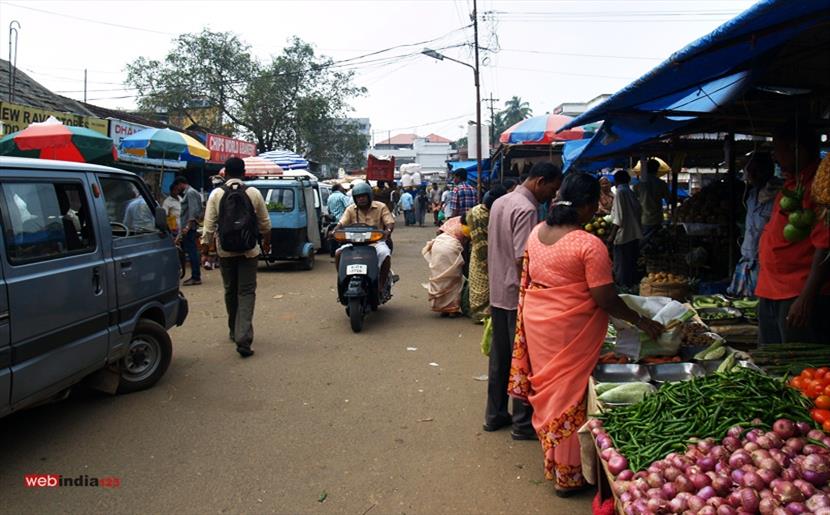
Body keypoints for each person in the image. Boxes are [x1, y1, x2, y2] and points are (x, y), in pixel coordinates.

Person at [509, 173, 664, 496]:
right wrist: (641, 321)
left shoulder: (537, 233)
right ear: (590, 205)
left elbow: (531, 275)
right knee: (569, 398)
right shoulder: (588, 244)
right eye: (596, 203)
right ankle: (568, 476)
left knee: (552, 394)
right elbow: (605, 297)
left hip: (539, 324)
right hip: (569, 331)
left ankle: (555, 463)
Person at [485, 161, 563, 441]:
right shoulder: (527, 209)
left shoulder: (501, 202)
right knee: (522, 360)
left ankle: (494, 414)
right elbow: (522, 258)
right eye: (552, 189)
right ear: (540, 181)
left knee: (500, 357)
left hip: (498, 290)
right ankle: (522, 422)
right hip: (515, 294)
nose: (552, 196)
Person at [756, 124, 830, 345]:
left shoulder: (820, 187)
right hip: (772, 289)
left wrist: (806, 298)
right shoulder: (793, 184)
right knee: (769, 358)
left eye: (777, 149)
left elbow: (825, 246)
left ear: (796, 149)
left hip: (798, 293)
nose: (774, 156)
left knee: (795, 359)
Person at [200, 157, 272, 357]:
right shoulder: (253, 193)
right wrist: (266, 243)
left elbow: (208, 227)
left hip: (225, 252)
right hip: (249, 252)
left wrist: (205, 252)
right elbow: (266, 224)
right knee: (246, 292)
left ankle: (234, 330)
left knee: (230, 291)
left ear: (224, 173)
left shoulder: (216, 194)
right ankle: (243, 336)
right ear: (244, 172)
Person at [728, 152, 779, 297]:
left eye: (757, 171)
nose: (752, 175)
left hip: (766, 262)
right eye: (750, 171)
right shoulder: (751, 196)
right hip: (748, 258)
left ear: (768, 170)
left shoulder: (777, 193)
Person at [335, 182, 396, 293]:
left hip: (376, 242)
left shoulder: (381, 207)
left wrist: (387, 231)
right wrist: (334, 230)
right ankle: (343, 281)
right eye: (358, 197)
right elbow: (341, 223)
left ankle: (381, 284)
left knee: (385, 254)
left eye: (363, 196)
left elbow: (389, 222)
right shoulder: (350, 209)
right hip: (354, 243)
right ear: (354, 199)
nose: (361, 199)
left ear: (369, 196)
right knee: (338, 253)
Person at [466, 184, 508, 323]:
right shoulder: (487, 215)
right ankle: (484, 314)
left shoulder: (475, 211)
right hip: (486, 251)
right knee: (484, 283)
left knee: (479, 282)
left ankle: (480, 314)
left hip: (479, 251)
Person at [422, 216, 469, 317]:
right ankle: (452, 310)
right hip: (451, 247)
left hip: (438, 244)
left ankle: (442, 308)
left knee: (440, 278)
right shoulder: (469, 225)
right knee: (454, 279)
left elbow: (438, 232)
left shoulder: (454, 220)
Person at [607, 170, 642, 288]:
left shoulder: (620, 193)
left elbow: (619, 218)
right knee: (630, 264)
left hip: (623, 235)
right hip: (633, 234)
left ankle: (623, 289)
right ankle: (629, 287)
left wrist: (611, 236)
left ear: (616, 181)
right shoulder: (630, 192)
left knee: (621, 265)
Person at [171, 176, 204, 286]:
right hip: (188, 227)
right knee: (191, 250)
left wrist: (187, 227)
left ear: (181, 184)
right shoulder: (191, 192)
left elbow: (193, 211)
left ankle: (195, 276)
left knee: (192, 251)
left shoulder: (190, 193)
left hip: (189, 228)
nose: (177, 189)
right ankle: (195, 275)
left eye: (177, 186)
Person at [634, 159, 670, 240]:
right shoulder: (662, 184)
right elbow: (668, 200)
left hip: (644, 218)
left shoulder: (638, 185)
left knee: (645, 241)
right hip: (658, 218)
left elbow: (635, 202)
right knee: (656, 240)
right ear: (657, 169)